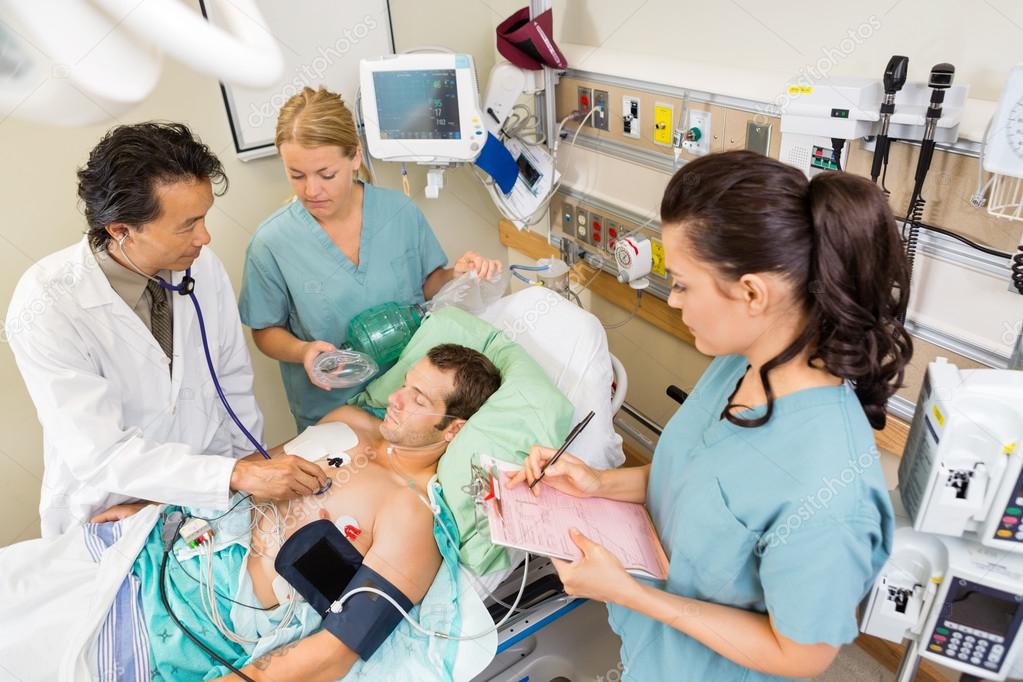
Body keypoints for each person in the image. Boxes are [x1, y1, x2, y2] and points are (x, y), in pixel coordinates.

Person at [509, 151, 912, 681]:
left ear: (751, 293)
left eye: (680, 283)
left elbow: (802, 654)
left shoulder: (829, 494)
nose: (672, 300)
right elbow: (704, 483)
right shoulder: (736, 367)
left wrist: (631, 594)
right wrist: (598, 483)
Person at [96, 344, 502, 680]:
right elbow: (251, 472)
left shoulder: (412, 515)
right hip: (171, 545)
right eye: (406, 384)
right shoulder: (347, 420)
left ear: (453, 429)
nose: (395, 398)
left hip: (209, 618)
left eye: (418, 399)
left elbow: (339, 648)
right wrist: (148, 506)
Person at [5, 122, 327, 537]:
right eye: (187, 225)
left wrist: (245, 485)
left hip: (212, 504)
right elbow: (99, 453)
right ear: (121, 230)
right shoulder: (48, 300)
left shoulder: (200, 267)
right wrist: (231, 477)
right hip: (111, 511)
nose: (205, 237)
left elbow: (231, 384)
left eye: (205, 217)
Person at [239, 86, 503, 432]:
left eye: (326, 174)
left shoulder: (400, 213)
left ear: (355, 157)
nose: (311, 191)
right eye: (296, 175)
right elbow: (265, 330)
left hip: (409, 406)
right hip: (331, 413)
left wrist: (459, 273)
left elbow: (428, 286)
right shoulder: (272, 243)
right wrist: (302, 351)